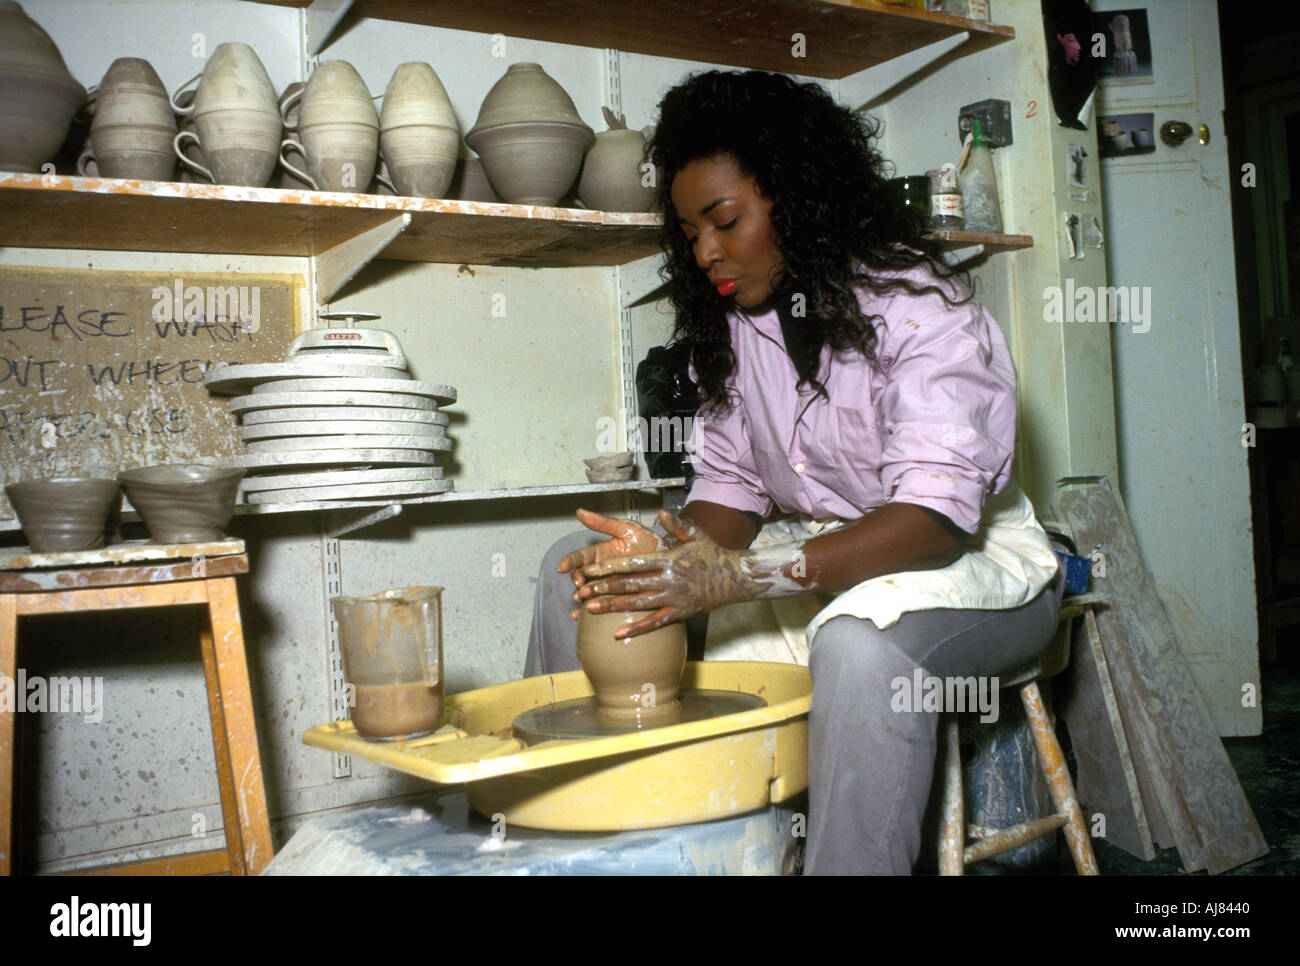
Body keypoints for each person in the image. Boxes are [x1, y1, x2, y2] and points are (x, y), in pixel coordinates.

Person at [524, 70, 1064, 875]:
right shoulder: (742, 324)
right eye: (689, 231)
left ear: (797, 198)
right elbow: (732, 497)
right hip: (814, 556)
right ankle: (584, 842)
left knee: (858, 646)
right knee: (588, 571)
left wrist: (735, 578)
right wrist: (667, 553)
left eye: (725, 221)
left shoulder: (927, 311)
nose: (704, 251)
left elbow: (933, 522)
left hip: (972, 563)